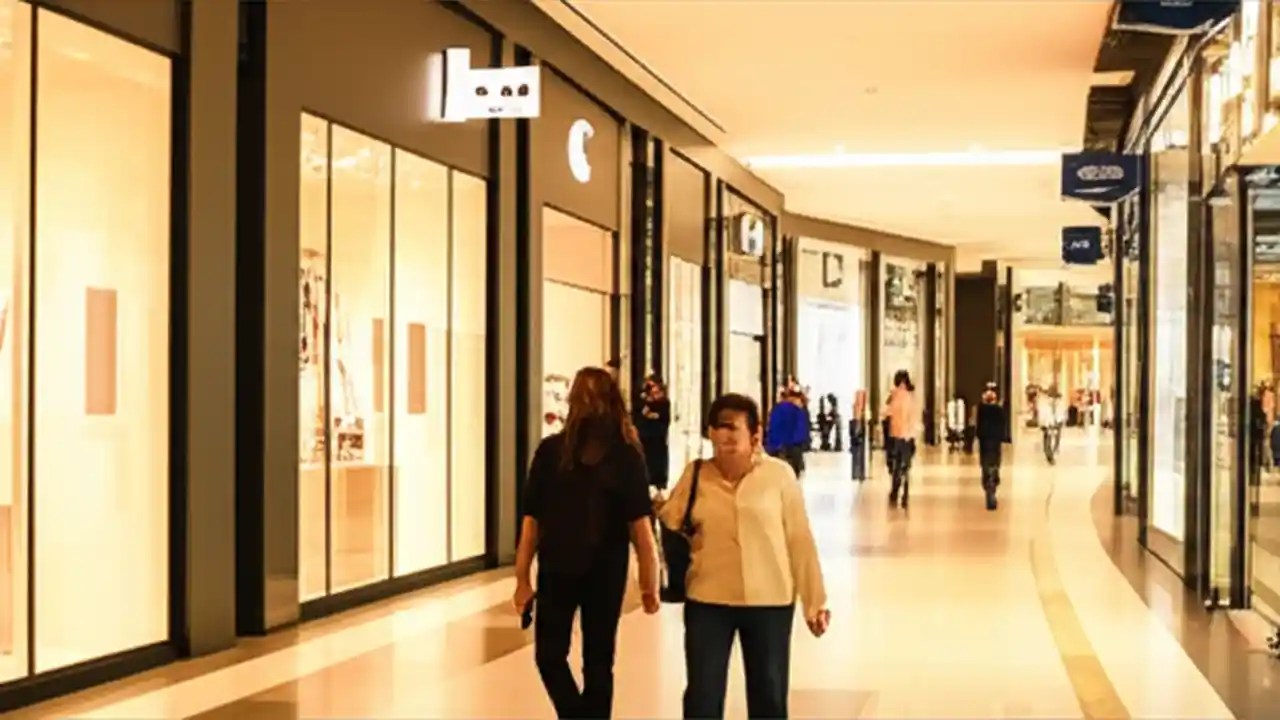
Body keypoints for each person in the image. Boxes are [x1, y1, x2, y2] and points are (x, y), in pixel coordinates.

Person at [656, 393, 829, 719]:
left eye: (733, 427)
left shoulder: (779, 476)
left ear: (755, 434)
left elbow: (800, 539)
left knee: (769, 694)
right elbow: (670, 521)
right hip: (708, 598)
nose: (725, 436)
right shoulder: (696, 475)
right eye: (718, 427)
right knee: (703, 695)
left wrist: (814, 601)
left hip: (769, 600)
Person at [513, 367, 661, 719]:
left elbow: (640, 527)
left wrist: (650, 581)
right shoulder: (559, 453)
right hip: (588, 570)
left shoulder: (620, 455)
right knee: (586, 659)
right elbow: (532, 520)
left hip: (572, 568)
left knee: (571, 658)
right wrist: (521, 579)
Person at [882, 370, 917, 508]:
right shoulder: (910, 397)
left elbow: (885, 413)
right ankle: (905, 493)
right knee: (905, 467)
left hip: (895, 436)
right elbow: (913, 418)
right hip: (908, 437)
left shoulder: (893, 396)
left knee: (896, 465)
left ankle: (895, 492)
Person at [636, 375, 672, 491]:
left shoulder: (663, 403)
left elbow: (661, 416)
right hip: (645, 438)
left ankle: (659, 484)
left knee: (657, 463)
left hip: (657, 438)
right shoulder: (644, 401)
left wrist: (652, 414)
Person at [764, 389, 809, 477]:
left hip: (777, 446)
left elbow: (772, 427)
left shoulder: (777, 409)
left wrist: (771, 445)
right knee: (793, 473)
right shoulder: (798, 411)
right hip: (793, 446)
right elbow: (802, 430)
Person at [975, 383, 1005, 511]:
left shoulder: (982, 409)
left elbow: (979, 426)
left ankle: (989, 482)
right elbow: (1002, 425)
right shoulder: (998, 409)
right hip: (993, 441)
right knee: (993, 463)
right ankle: (992, 481)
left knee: (986, 464)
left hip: (986, 441)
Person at [1037, 385, 1065, 464]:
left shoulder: (1059, 401)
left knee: (1056, 439)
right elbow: (1042, 412)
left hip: (1057, 422)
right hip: (1048, 423)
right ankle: (1049, 456)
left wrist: (1061, 420)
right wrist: (1042, 423)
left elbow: (1062, 411)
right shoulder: (1044, 402)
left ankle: (1053, 451)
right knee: (1048, 439)